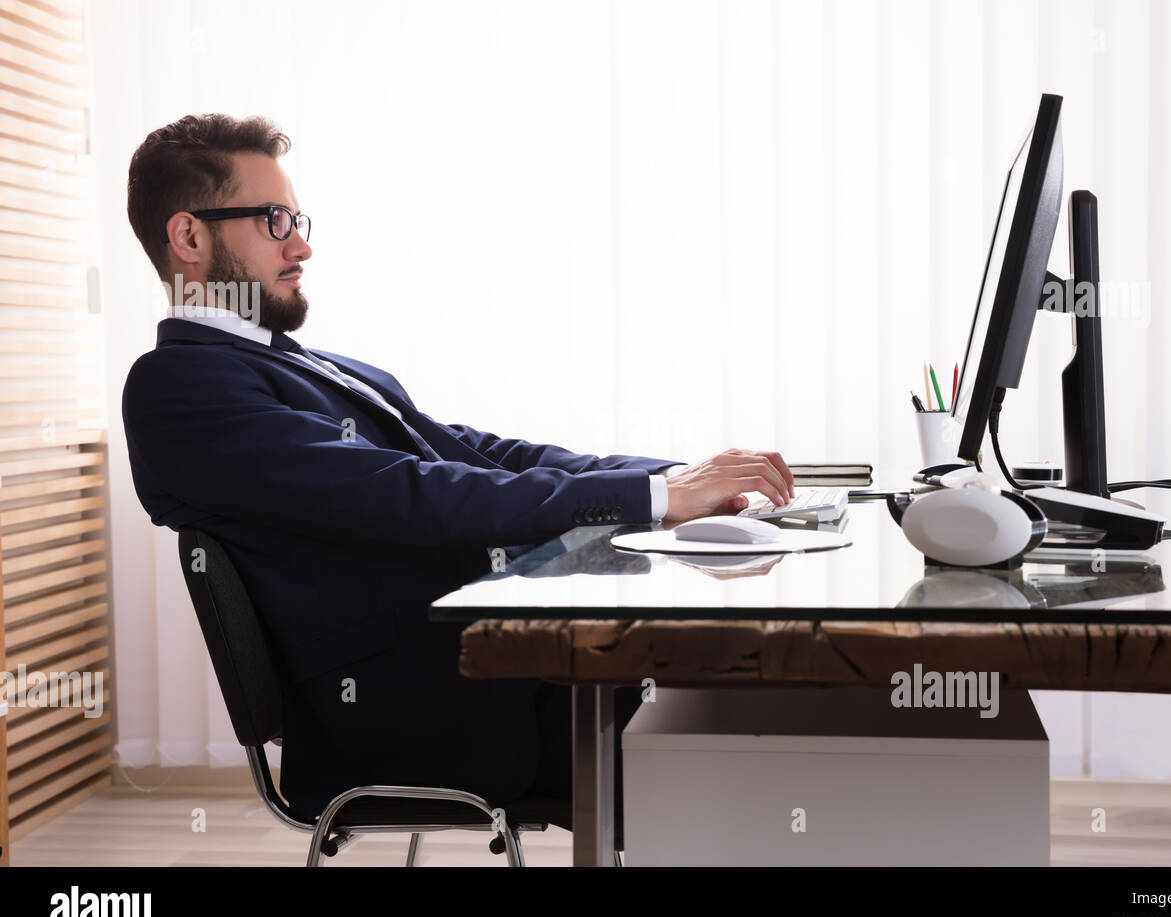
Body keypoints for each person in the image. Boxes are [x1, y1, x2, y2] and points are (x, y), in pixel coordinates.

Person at [120, 113, 795, 843]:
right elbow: (410, 495)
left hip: (480, 666)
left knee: (744, 687)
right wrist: (657, 500)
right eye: (274, 220)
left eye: (297, 220)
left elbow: (485, 456)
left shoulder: (310, 364)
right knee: (736, 702)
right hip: (420, 705)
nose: (301, 244)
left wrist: (671, 478)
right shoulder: (179, 388)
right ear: (189, 237)